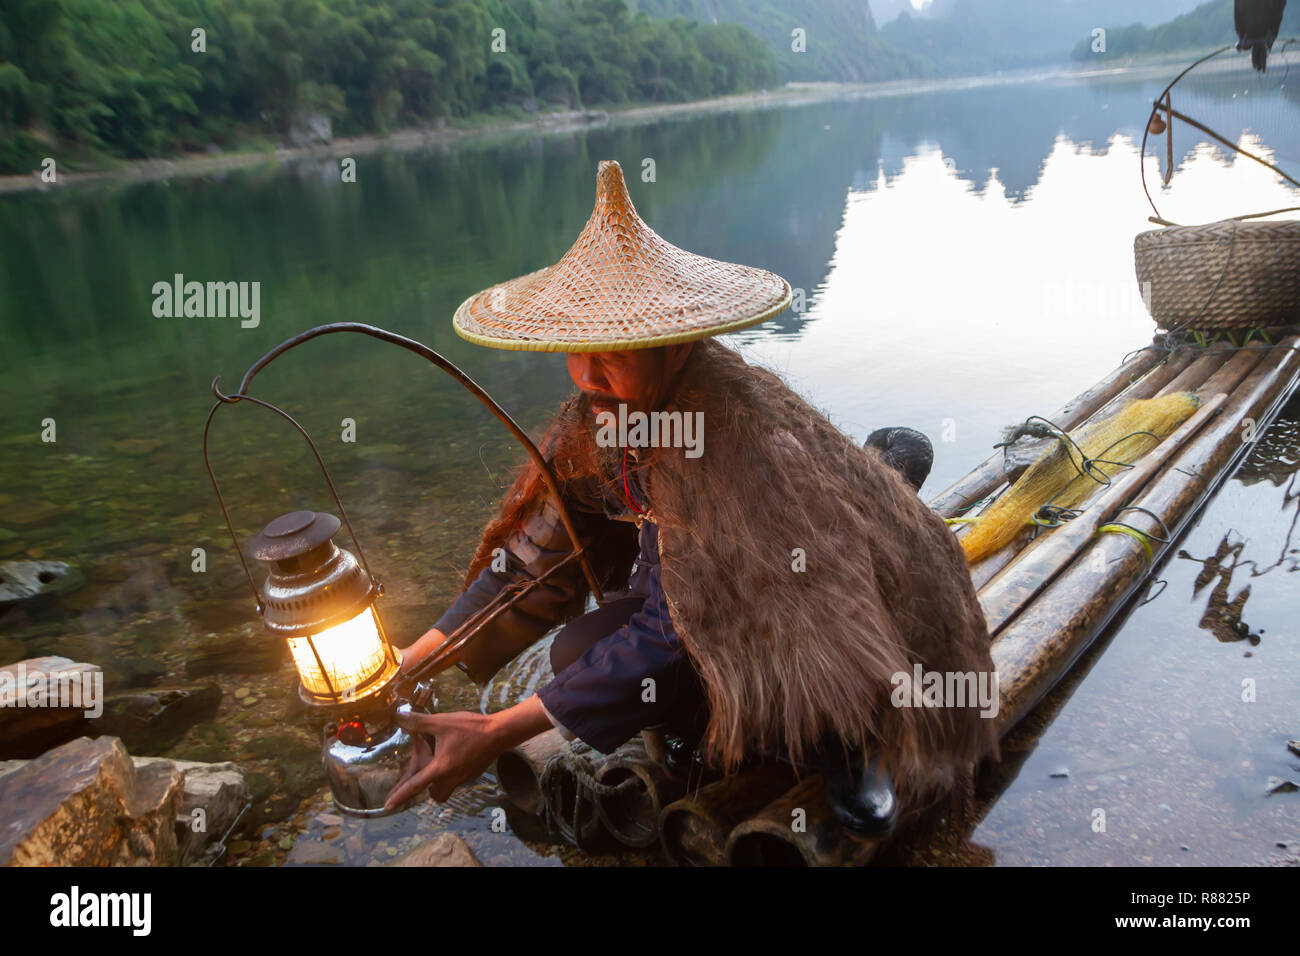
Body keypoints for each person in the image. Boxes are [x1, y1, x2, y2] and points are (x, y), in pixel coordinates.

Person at [386, 161, 999, 836]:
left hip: (802, 610)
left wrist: (497, 729)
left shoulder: (721, 438)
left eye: (614, 350)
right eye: (576, 348)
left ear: (674, 345)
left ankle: (848, 739)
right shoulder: (603, 413)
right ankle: (886, 464)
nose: (588, 372)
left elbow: (671, 629)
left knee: (799, 658)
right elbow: (532, 556)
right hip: (706, 592)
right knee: (583, 647)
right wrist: (411, 659)